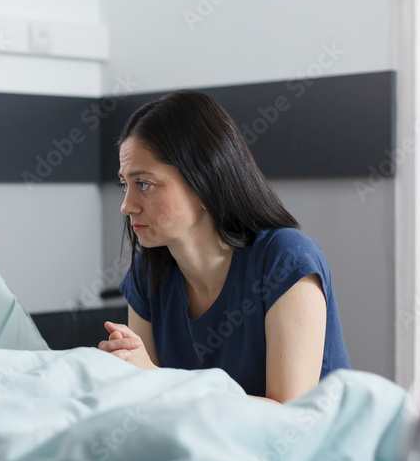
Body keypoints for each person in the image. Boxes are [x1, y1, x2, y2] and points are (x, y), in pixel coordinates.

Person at [98, 90, 349, 403]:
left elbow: (287, 417)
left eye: (144, 184)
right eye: (125, 184)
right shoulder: (147, 274)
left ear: (204, 182)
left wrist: (156, 381)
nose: (126, 205)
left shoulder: (286, 259)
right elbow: (152, 409)